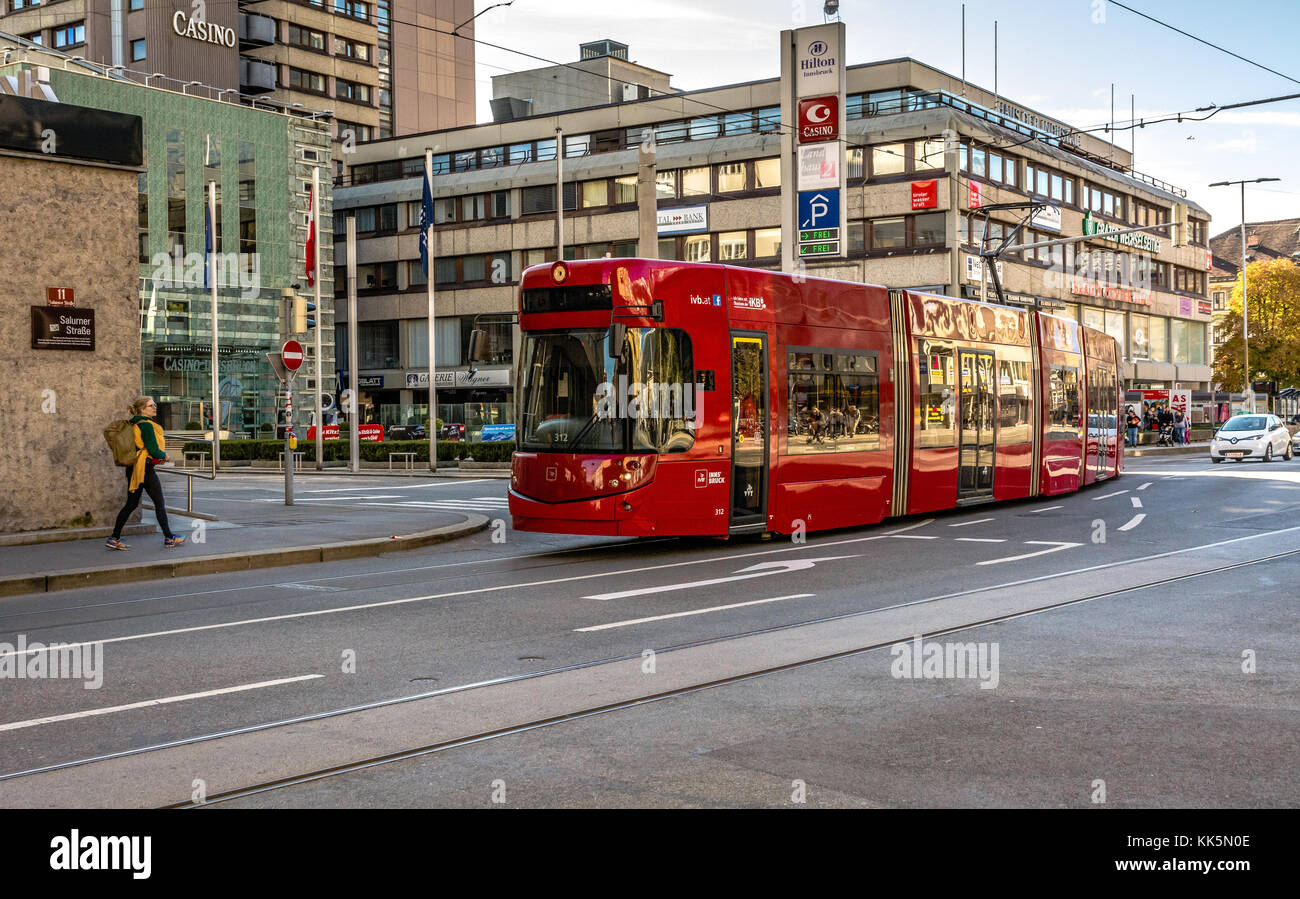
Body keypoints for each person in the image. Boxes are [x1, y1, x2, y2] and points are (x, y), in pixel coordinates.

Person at [107, 396, 187, 550]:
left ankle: (114, 537)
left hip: (134, 467)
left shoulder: (132, 423)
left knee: (131, 505)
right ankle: (169, 538)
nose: (155, 407)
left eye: (155, 405)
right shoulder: (147, 425)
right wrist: (164, 456)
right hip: (145, 469)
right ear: (143, 409)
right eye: (151, 405)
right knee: (159, 504)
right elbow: (152, 449)